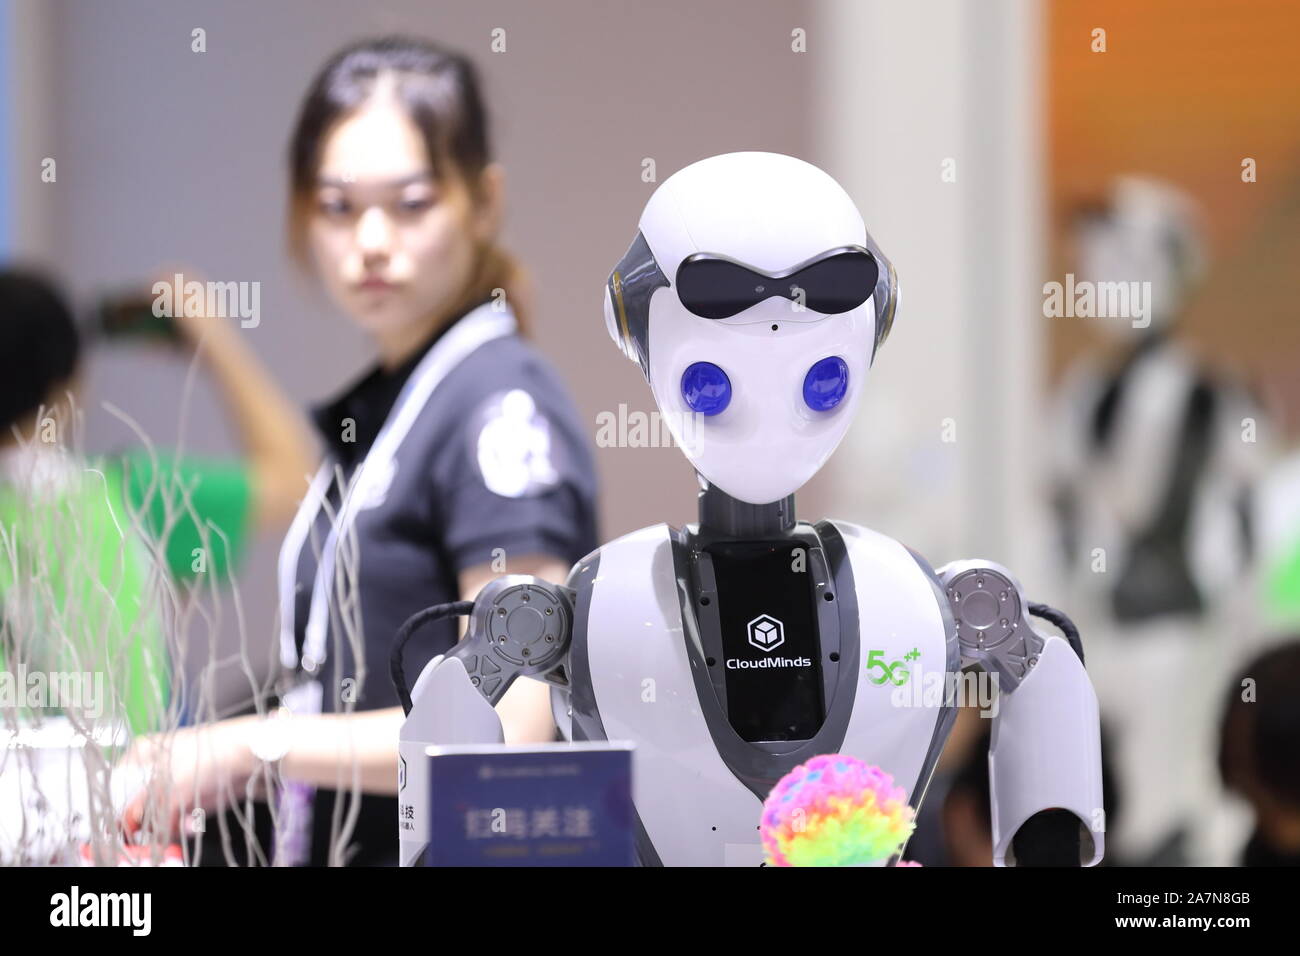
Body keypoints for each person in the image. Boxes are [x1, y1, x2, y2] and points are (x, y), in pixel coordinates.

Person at [122, 36, 600, 867]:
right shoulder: (404, 399)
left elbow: (514, 719)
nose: (371, 240)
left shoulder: (498, 403)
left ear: (483, 201)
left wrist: (253, 747)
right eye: (338, 206)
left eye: (411, 202)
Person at [0, 267, 315, 734]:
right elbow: (297, 479)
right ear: (70, 386)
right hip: (128, 798)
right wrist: (210, 338)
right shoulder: (132, 496)